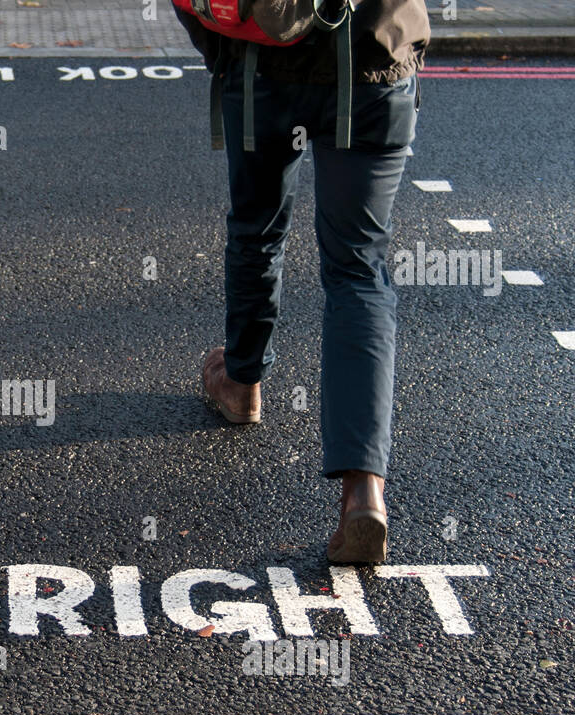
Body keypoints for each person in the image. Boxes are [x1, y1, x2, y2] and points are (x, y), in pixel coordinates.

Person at [176, 0, 431, 563]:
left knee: (257, 231)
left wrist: (223, 45)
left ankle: (241, 384)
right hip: (373, 62)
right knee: (358, 268)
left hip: (262, 65)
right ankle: (364, 488)